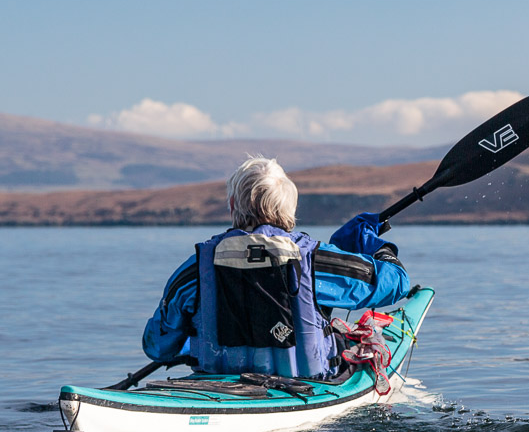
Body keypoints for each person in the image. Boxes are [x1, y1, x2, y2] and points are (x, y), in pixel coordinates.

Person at [142, 155, 410, 380]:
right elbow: (397, 282)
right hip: (306, 385)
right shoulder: (315, 261)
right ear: (289, 208)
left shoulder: (194, 271)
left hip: (219, 387)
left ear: (234, 205)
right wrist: (376, 248)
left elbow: (158, 346)